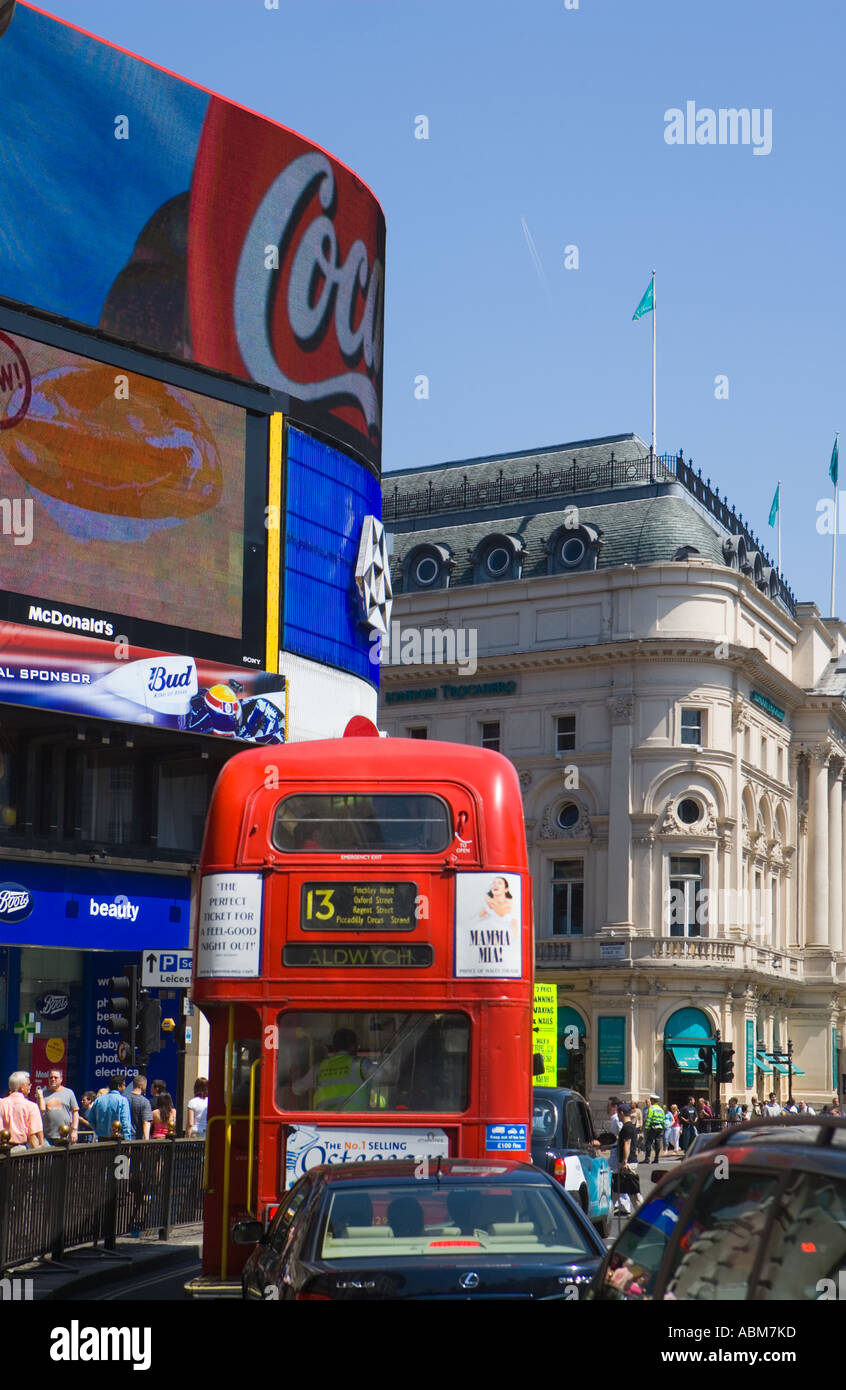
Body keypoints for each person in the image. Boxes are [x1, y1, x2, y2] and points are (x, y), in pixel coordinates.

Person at [313, 1029, 372, 1110]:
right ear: (352, 1046)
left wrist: (295, 1075)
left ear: (334, 1047)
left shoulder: (319, 1067)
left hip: (326, 1121)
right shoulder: (361, 1064)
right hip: (354, 1120)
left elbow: (297, 1088)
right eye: (357, 1046)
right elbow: (384, 1076)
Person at [0, 1071, 43, 1152]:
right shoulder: (31, 1106)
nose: (30, 1087)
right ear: (22, 1087)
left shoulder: (1, 1103)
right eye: (28, 1084)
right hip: (21, 1152)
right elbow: (32, 1134)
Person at [38, 1068, 79, 1145]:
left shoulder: (69, 1093)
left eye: (55, 1077)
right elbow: (40, 1111)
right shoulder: (42, 1094)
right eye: (51, 1077)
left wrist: (74, 1130)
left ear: (61, 1079)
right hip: (47, 1136)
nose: (53, 1079)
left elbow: (75, 1113)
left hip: (64, 1135)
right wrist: (40, 1097)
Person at [88, 1073, 133, 1140]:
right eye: (124, 1085)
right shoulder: (123, 1101)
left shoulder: (99, 1100)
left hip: (102, 1139)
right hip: (118, 1140)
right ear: (119, 1086)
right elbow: (125, 1123)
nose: (125, 1087)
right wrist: (127, 1139)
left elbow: (91, 1119)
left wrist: (98, 1131)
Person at [614, 1103, 640, 1215]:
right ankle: (605, 1217)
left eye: (618, 1114)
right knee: (615, 1190)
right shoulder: (632, 1127)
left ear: (621, 1113)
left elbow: (627, 1144)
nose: (618, 1117)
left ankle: (645, 1216)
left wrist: (624, 1161)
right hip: (628, 1162)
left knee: (634, 1194)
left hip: (627, 1163)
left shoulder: (627, 1128)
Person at [643, 1093, 666, 1164]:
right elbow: (663, 1119)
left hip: (652, 1128)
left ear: (652, 1100)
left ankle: (647, 1158)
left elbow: (649, 1118)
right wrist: (663, 1127)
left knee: (648, 1143)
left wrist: (646, 1127)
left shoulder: (651, 1108)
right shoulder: (660, 1109)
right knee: (657, 1142)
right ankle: (656, 1158)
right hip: (660, 1128)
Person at [129, 1074, 152, 1141]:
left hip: (124, 1139)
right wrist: (146, 1140)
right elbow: (146, 1123)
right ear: (143, 1086)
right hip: (137, 1140)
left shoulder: (124, 1099)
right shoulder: (145, 1102)